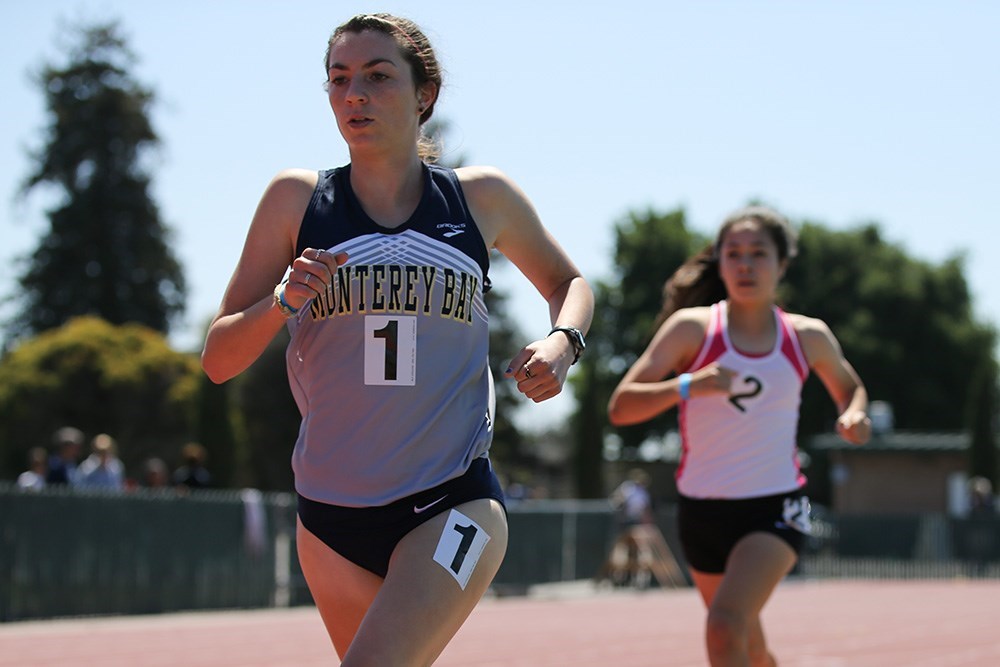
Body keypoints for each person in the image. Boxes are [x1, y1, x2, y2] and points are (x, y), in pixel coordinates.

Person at [201, 12, 593, 665]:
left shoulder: (480, 198)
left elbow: (569, 280)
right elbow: (218, 360)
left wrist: (563, 341)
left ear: (423, 95)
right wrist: (280, 302)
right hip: (329, 516)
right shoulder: (295, 202)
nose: (355, 93)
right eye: (339, 79)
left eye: (378, 76)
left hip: (453, 499)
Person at [607, 205, 870, 666]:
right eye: (734, 253)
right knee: (744, 642)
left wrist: (855, 415)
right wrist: (690, 384)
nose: (745, 265)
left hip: (776, 507)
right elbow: (622, 406)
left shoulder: (807, 336)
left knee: (725, 625)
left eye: (758, 254)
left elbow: (850, 389)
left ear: (782, 263)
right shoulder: (692, 329)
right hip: (702, 512)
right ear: (721, 262)